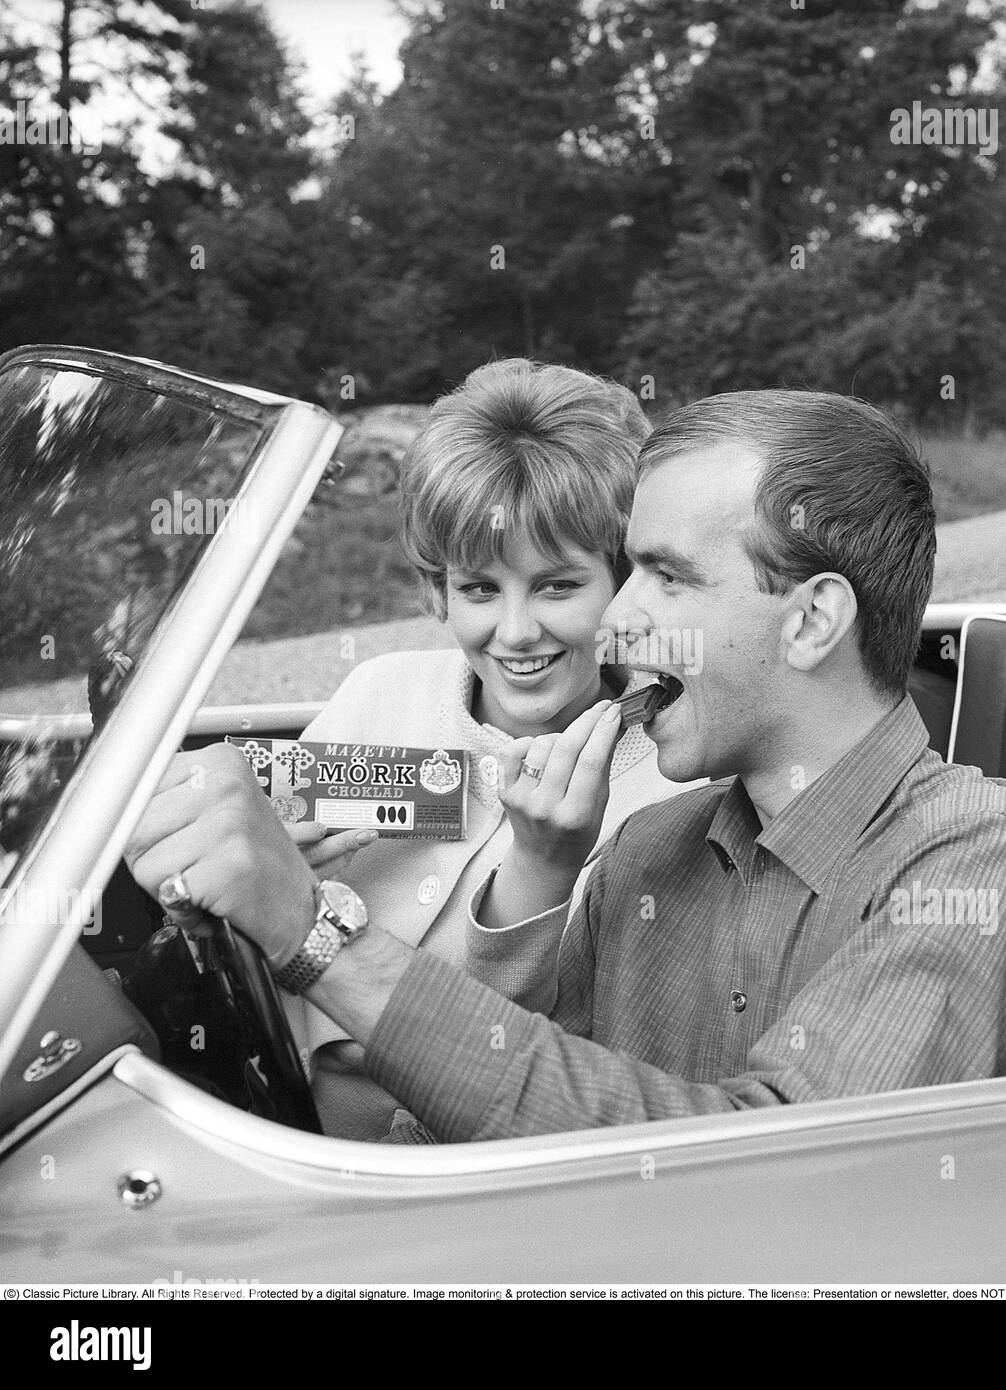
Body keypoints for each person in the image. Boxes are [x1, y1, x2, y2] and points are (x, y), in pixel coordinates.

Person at [127, 388, 1006, 1142]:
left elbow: (762, 1186)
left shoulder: (988, 868)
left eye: (658, 575)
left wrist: (312, 931)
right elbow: (505, 1100)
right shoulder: (647, 850)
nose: (610, 622)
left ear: (814, 618)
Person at [269, 358, 701, 1139]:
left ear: (625, 579)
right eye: (478, 588)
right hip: (287, 1125)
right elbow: (258, 910)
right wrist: (273, 864)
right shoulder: (379, 697)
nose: (514, 632)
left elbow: (561, 1068)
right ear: (437, 587)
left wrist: (541, 872)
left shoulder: (676, 781)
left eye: (557, 586)